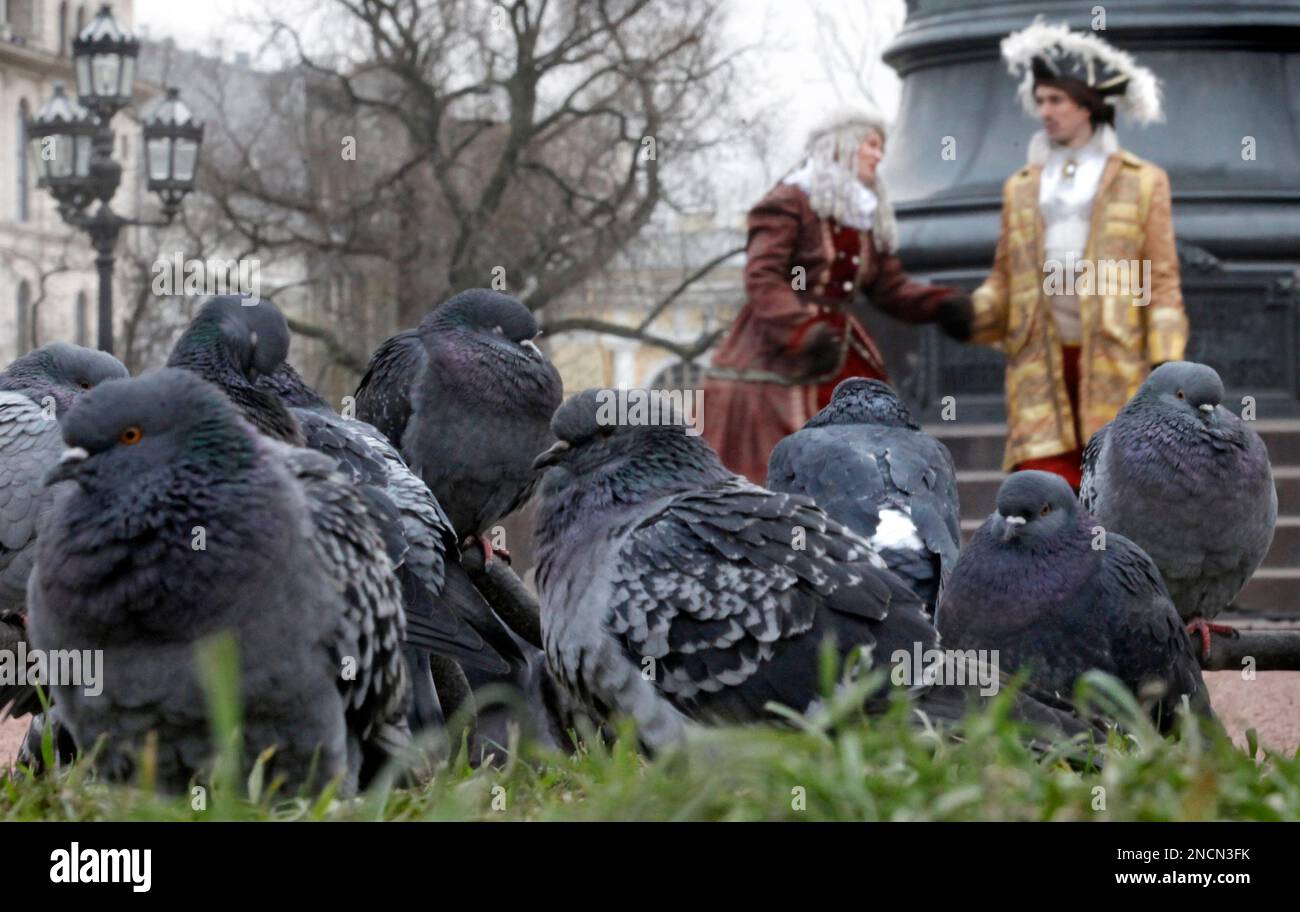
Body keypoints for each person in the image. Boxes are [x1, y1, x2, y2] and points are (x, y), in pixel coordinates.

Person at [964, 21, 1188, 488]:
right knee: (1047, 490)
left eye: (1055, 100)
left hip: (1114, 356)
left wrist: (1167, 362)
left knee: (1116, 485)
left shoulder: (1144, 180)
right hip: (1037, 359)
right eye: (1040, 100)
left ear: (1087, 105)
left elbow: (1161, 278)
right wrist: (965, 312)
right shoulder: (1021, 185)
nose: (1044, 111)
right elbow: (1004, 278)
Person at [702, 110, 971, 484]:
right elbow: (763, 276)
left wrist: (940, 304)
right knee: (787, 459)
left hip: (841, 348)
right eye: (872, 145)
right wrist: (801, 330)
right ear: (841, 145)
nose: (879, 156)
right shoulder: (790, 200)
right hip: (782, 347)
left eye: (882, 147)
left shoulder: (858, 212)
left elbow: (887, 286)